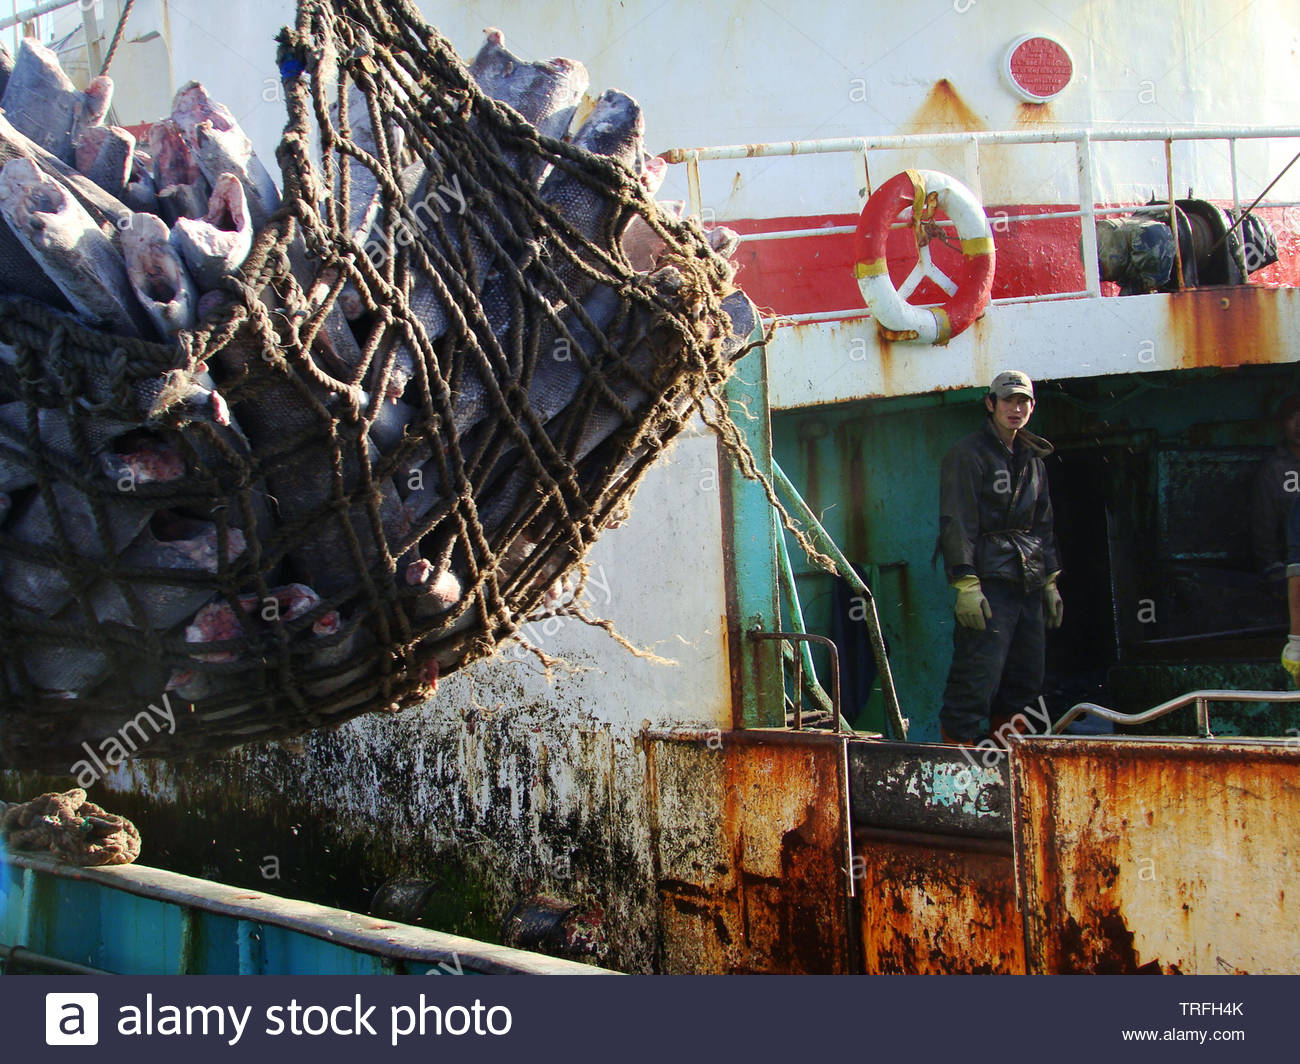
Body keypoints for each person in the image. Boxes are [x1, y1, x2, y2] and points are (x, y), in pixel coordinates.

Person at [937, 371, 1063, 745]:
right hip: (989, 584)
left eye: (1023, 401)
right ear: (990, 404)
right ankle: (955, 769)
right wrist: (966, 583)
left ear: (1032, 407)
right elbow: (956, 521)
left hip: (1029, 583)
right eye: (1008, 400)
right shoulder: (967, 454)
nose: (1016, 408)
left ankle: (1007, 761)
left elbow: (1044, 522)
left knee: (1025, 682)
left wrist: (1051, 582)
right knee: (976, 680)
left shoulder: (1033, 458)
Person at [1250, 394, 1300, 595]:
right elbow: (1264, 529)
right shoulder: (1273, 470)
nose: (1299, 425)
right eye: (1292, 418)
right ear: (1282, 424)